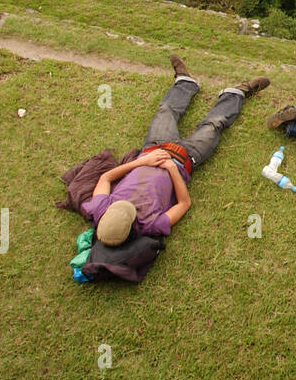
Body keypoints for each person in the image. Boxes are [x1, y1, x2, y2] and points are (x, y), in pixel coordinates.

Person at [83, 56, 270, 246]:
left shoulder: (100, 209)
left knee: (166, 110)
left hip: (154, 147)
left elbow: (105, 178)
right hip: (184, 159)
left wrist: (142, 162)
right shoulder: (151, 226)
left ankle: (185, 82)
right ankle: (238, 93)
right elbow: (184, 204)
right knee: (214, 125)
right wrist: (172, 169)